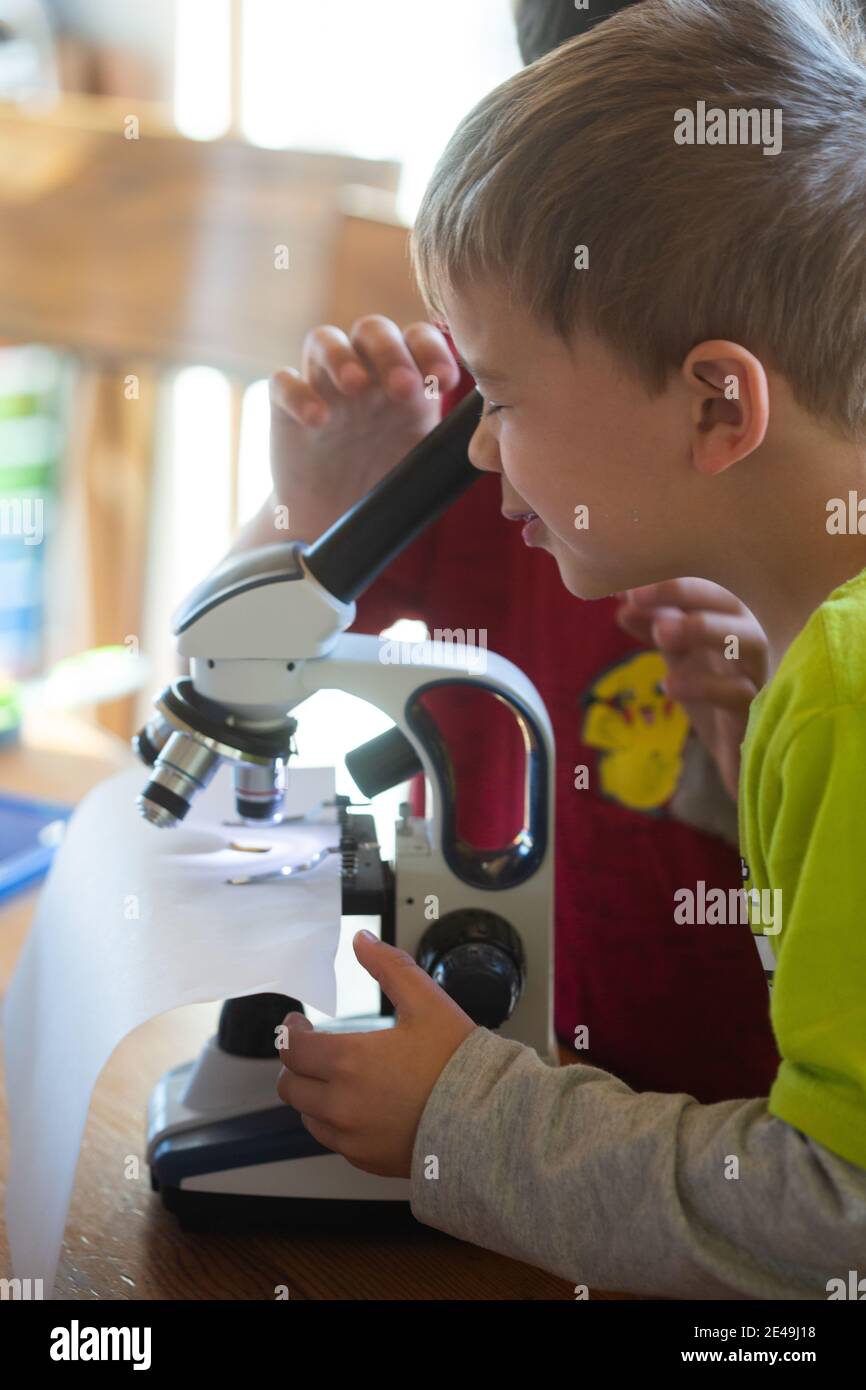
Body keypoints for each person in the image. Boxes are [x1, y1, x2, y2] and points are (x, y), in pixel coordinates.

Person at [276, 0, 866, 1296]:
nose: (475, 449)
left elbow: (839, 1224)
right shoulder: (812, 666)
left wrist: (461, 1115)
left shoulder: (841, 694)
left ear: (715, 403)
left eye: (501, 399)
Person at [237, 0, 778, 1105]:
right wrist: (315, 520)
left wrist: (755, 739)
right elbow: (229, 681)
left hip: (732, 1158)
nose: (488, 439)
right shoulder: (484, 432)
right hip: (484, 1085)